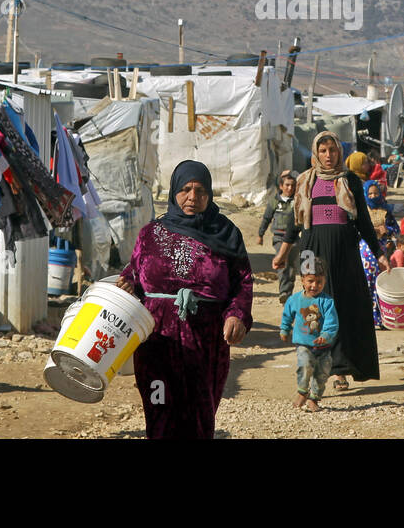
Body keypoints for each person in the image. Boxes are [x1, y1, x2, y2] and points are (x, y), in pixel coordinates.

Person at [116, 160, 253, 439]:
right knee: (159, 412)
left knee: (199, 417)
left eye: (201, 191)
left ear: (210, 194)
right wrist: (128, 283)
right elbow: (133, 270)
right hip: (155, 340)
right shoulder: (151, 234)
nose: (193, 197)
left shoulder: (226, 234)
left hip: (206, 342)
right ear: (174, 191)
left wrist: (236, 314)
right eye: (186, 189)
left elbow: (243, 281)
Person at [272, 131, 389, 392]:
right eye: (323, 151)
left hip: (344, 253)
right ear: (316, 152)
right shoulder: (305, 181)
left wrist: (379, 253)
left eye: (332, 150)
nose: (328, 155)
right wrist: (282, 253)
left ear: (340, 152)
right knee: (313, 309)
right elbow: (295, 223)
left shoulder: (349, 181)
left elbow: (364, 223)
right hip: (312, 251)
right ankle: (313, 365)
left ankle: (340, 370)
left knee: (343, 308)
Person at [280, 258, 339, 412]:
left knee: (322, 374)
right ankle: (302, 391)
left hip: (323, 347)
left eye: (319, 282)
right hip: (304, 344)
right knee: (305, 366)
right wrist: (284, 329)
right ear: (303, 280)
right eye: (311, 281)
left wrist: (326, 335)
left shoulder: (327, 302)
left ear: (324, 281)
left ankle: (314, 399)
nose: (315, 285)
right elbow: (287, 316)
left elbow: (332, 323)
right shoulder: (294, 300)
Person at [259, 169, 298, 304]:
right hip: (279, 238)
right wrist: (260, 234)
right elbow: (266, 218)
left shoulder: (297, 202)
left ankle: (289, 292)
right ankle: (283, 291)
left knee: (292, 266)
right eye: (287, 185)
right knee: (283, 262)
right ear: (281, 186)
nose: (290, 188)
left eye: (293, 185)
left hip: (293, 239)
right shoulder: (275, 201)